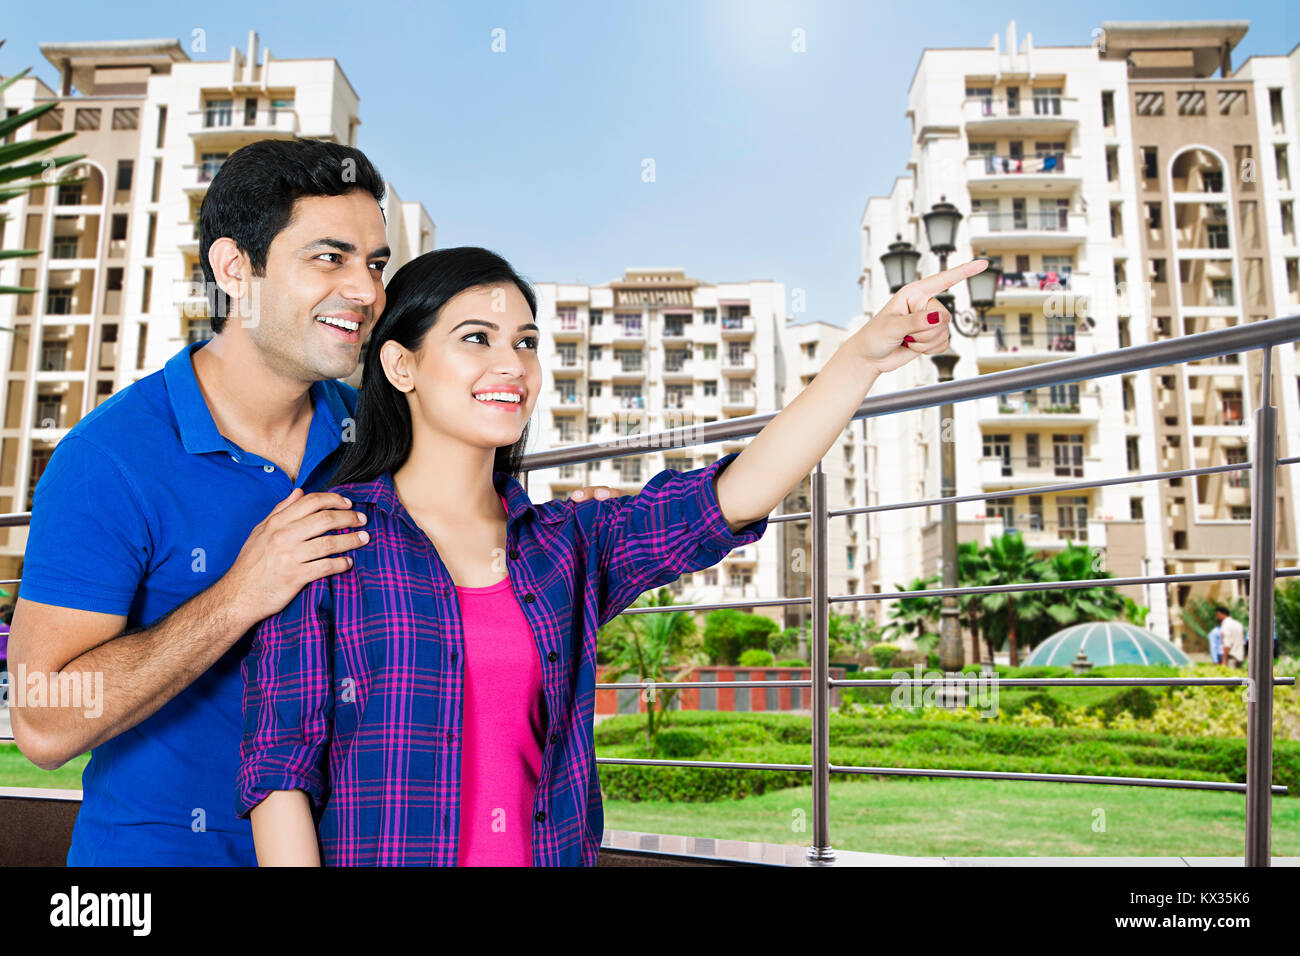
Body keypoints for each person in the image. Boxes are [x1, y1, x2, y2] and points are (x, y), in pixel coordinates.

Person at [236, 245, 987, 866]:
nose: (513, 365)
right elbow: (279, 773)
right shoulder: (328, 537)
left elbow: (732, 496)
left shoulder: (566, 544)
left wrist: (861, 357)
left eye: (526, 343)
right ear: (401, 367)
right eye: (477, 338)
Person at [6, 139, 617, 866]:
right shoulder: (109, 459)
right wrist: (242, 594)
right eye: (330, 258)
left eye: (376, 263)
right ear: (236, 270)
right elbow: (43, 723)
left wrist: (580, 542)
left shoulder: (379, 433)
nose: (366, 291)